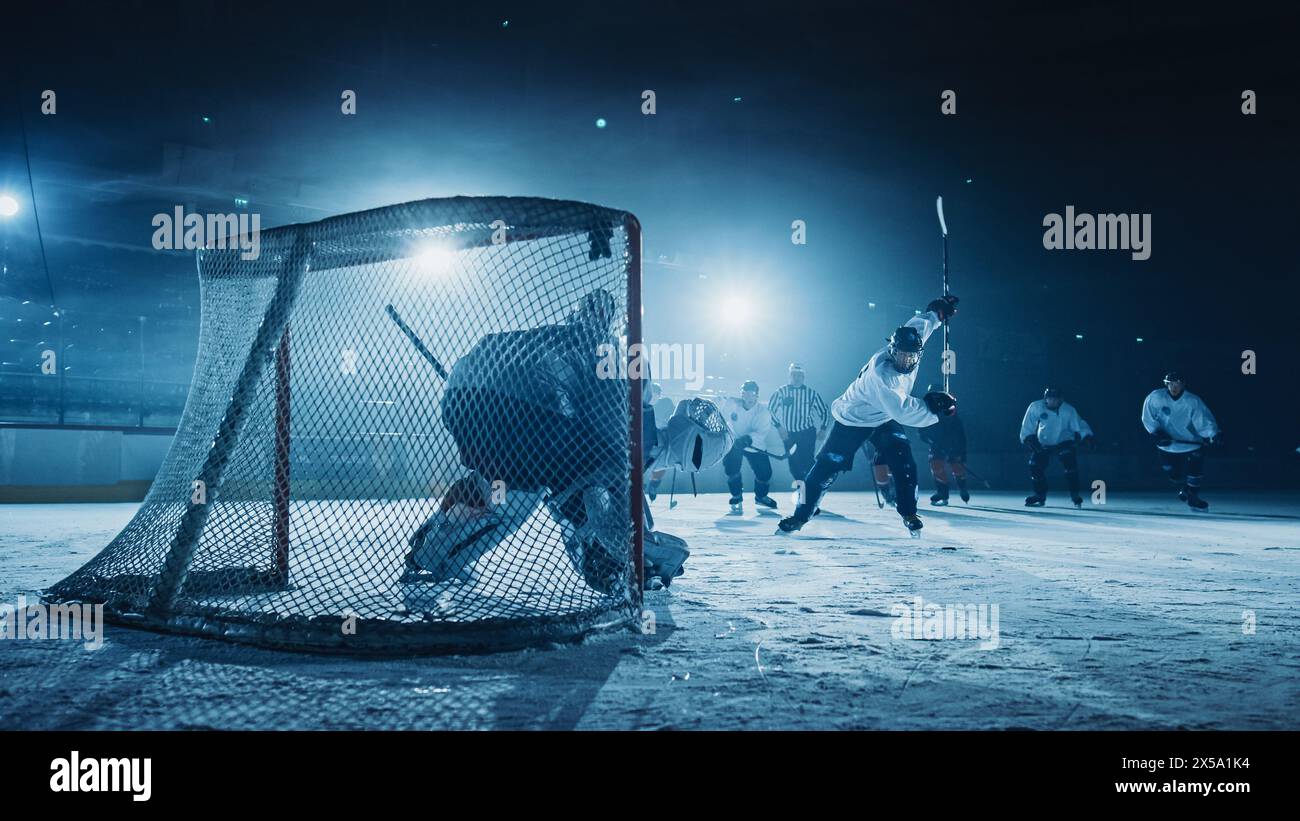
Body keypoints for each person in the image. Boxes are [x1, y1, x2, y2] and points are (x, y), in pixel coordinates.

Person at [406, 289, 630, 594]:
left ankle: (436, 534)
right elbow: (604, 417)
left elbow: (487, 350)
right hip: (518, 428)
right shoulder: (601, 351)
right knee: (514, 500)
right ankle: (434, 556)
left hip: (468, 406)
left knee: (493, 484)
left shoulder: (549, 336)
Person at [777, 295, 959, 536]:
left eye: (912, 356)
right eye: (902, 356)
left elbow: (920, 326)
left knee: (904, 461)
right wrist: (934, 408)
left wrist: (936, 314)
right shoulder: (883, 376)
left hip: (882, 417)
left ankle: (909, 512)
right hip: (852, 419)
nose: (907, 361)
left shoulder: (911, 345)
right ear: (893, 351)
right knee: (826, 468)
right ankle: (800, 517)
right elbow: (904, 410)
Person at [1141, 371, 1220, 511]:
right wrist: (1156, 433)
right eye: (1170, 384)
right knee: (1174, 476)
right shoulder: (1155, 397)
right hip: (1167, 446)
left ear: (1183, 384)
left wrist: (1213, 434)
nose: (1173, 387)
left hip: (1191, 444)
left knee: (1195, 472)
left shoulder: (1192, 401)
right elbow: (1148, 417)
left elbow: (1203, 420)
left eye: (1177, 383)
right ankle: (1185, 489)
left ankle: (1193, 497)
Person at [1019, 387, 1095, 508]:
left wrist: (1086, 436)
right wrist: (1028, 437)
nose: (1053, 402)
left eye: (1056, 399)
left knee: (1070, 467)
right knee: (1034, 466)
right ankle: (1040, 495)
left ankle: (1075, 495)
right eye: (1050, 399)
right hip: (1044, 442)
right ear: (1045, 399)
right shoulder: (1036, 407)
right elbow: (1028, 423)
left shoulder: (1069, 410)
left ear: (1061, 400)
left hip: (1064, 441)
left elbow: (1079, 424)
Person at [767, 363, 830, 486]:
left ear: (804, 377)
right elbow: (770, 410)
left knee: (808, 463)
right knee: (794, 466)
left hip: (807, 432)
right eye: (794, 375)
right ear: (789, 375)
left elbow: (824, 412)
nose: (797, 378)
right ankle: (803, 493)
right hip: (789, 434)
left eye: (800, 375)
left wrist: (823, 428)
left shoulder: (811, 393)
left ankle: (811, 494)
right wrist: (779, 427)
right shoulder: (781, 392)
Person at [722, 380, 779, 514]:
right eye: (745, 393)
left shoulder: (763, 412)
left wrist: (748, 439)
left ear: (757, 395)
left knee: (765, 473)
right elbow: (723, 417)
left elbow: (760, 433)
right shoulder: (732, 404)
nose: (748, 396)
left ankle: (761, 496)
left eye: (752, 393)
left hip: (754, 445)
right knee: (731, 469)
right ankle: (736, 495)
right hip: (734, 443)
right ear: (741, 394)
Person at [919, 396, 970, 505]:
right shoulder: (927, 409)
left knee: (957, 467)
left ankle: (962, 487)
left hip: (953, 443)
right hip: (936, 444)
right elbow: (922, 429)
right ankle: (942, 492)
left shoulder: (949, 408)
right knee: (936, 466)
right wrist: (928, 439)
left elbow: (958, 431)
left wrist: (957, 448)